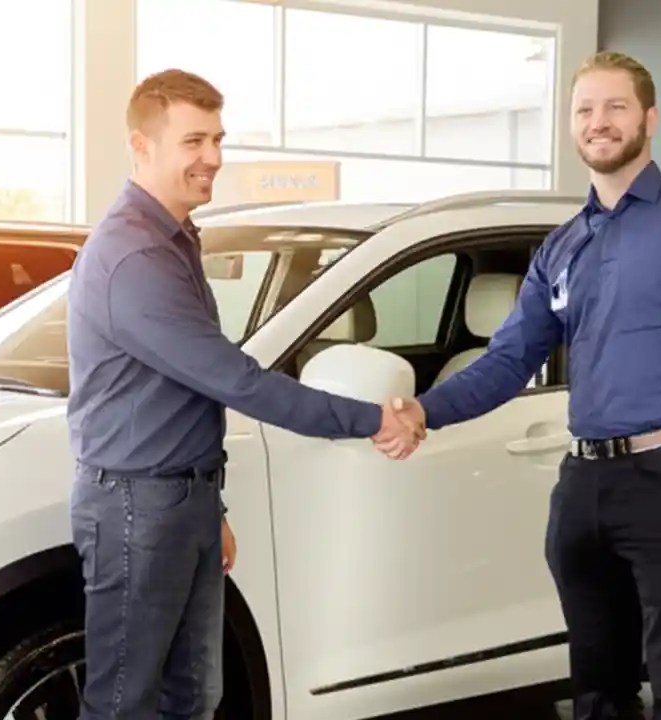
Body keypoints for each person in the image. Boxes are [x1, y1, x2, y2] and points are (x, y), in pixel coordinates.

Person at [380, 51, 661, 720]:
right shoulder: (563, 246)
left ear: (649, 119)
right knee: (597, 694)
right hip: (584, 488)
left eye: (616, 106)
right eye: (585, 109)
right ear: (571, 126)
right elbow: (509, 359)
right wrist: (424, 409)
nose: (599, 122)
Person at [65, 68, 423, 720]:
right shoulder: (133, 257)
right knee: (125, 704)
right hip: (137, 509)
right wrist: (373, 418)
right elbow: (234, 380)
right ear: (141, 146)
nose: (213, 158)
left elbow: (179, 394)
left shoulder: (174, 240)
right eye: (193, 141)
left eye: (218, 139)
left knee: (194, 695)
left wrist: (210, 502)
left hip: (179, 500)